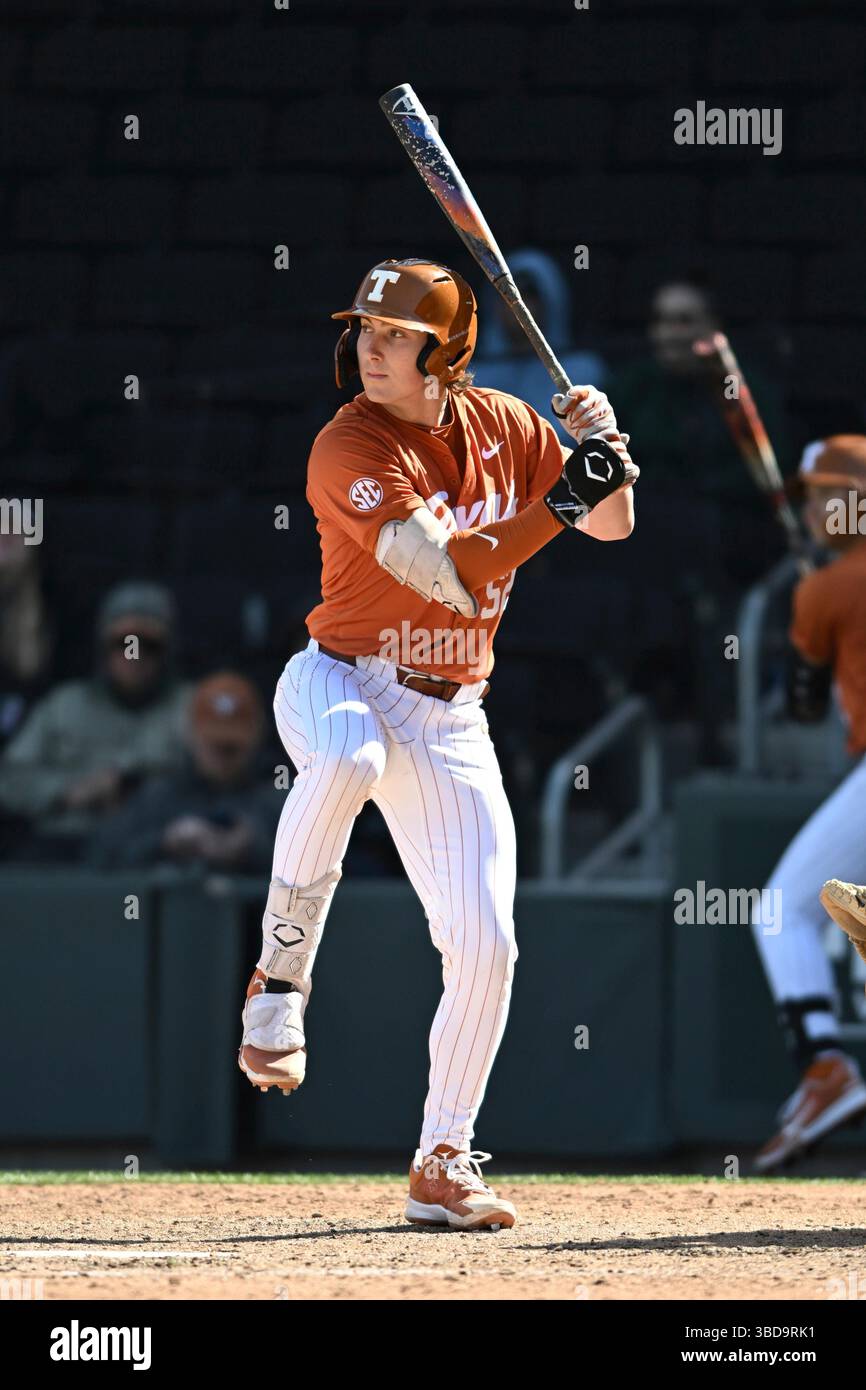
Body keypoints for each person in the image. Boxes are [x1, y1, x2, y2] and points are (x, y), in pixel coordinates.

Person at [236, 256, 637, 1230]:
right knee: (346, 759)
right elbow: (448, 573)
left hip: (452, 709)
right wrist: (565, 499)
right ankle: (277, 977)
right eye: (364, 330)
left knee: (488, 945)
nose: (370, 347)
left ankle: (442, 1159)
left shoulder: (503, 421)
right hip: (338, 676)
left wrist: (599, 451)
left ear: (446, 350)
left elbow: (616, 526)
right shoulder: (346, 445)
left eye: (396, 334)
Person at [750, 437, 866, 1173]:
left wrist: (808, 626)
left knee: (780, 908)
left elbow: (801, 706)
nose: (814, 507)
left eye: (828, 493)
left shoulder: (825, 589)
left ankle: (825, 1065)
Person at [0, 581, 189, 857]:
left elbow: (228, 781)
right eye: (122, 643)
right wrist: (69, 791)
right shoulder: (63, 706)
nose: (133, 656)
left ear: (168, 649)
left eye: (148, 645)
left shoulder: (191, 707)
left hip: (161, 848)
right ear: (102, 647)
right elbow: (8, 778)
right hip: (66, 846)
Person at [89, 672, 281, 872]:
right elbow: (101, 856)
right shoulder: (160, 797)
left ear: (257, 737)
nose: (222, 757)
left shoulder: (280, 804)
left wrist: (250, 848)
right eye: (213, 745)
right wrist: (164, 842)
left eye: (231, 747)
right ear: (190, 734)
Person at [469, 247, 606, 448]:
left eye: (529, 295)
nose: (515, 305)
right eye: (504, 294)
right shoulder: (470, 376)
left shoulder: (583, 372)